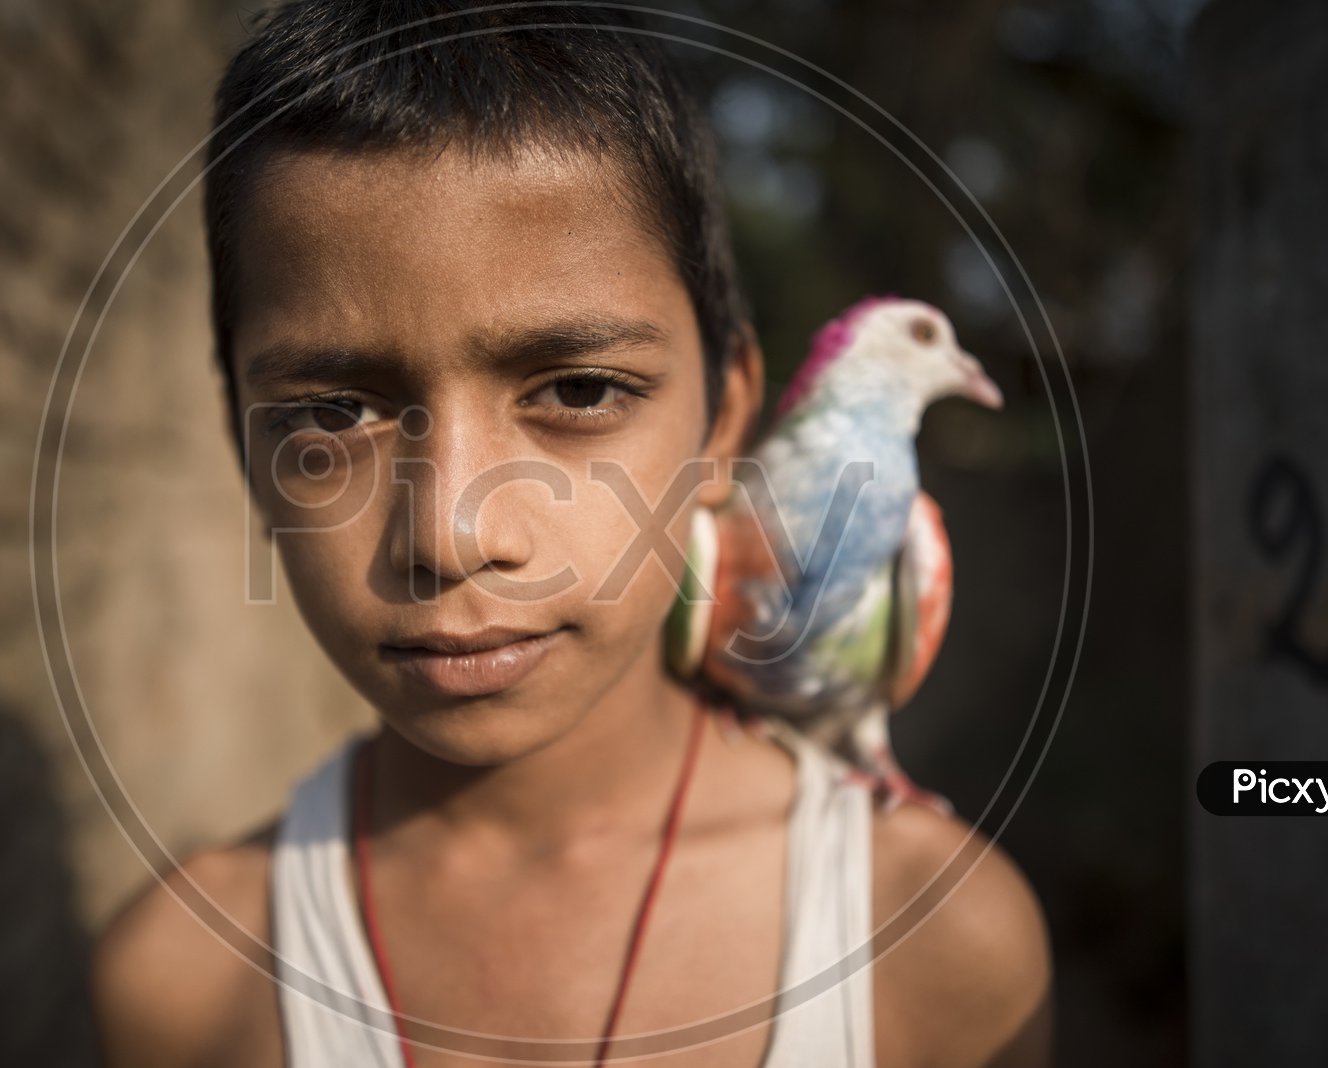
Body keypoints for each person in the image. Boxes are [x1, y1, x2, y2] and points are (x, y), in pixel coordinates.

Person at [91, 3, 1052, 1065]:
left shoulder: (936, 942)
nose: (453, 535)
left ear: (723, 418)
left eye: (581, 389)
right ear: (243, 447)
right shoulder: (182, 986)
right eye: (329, 414)